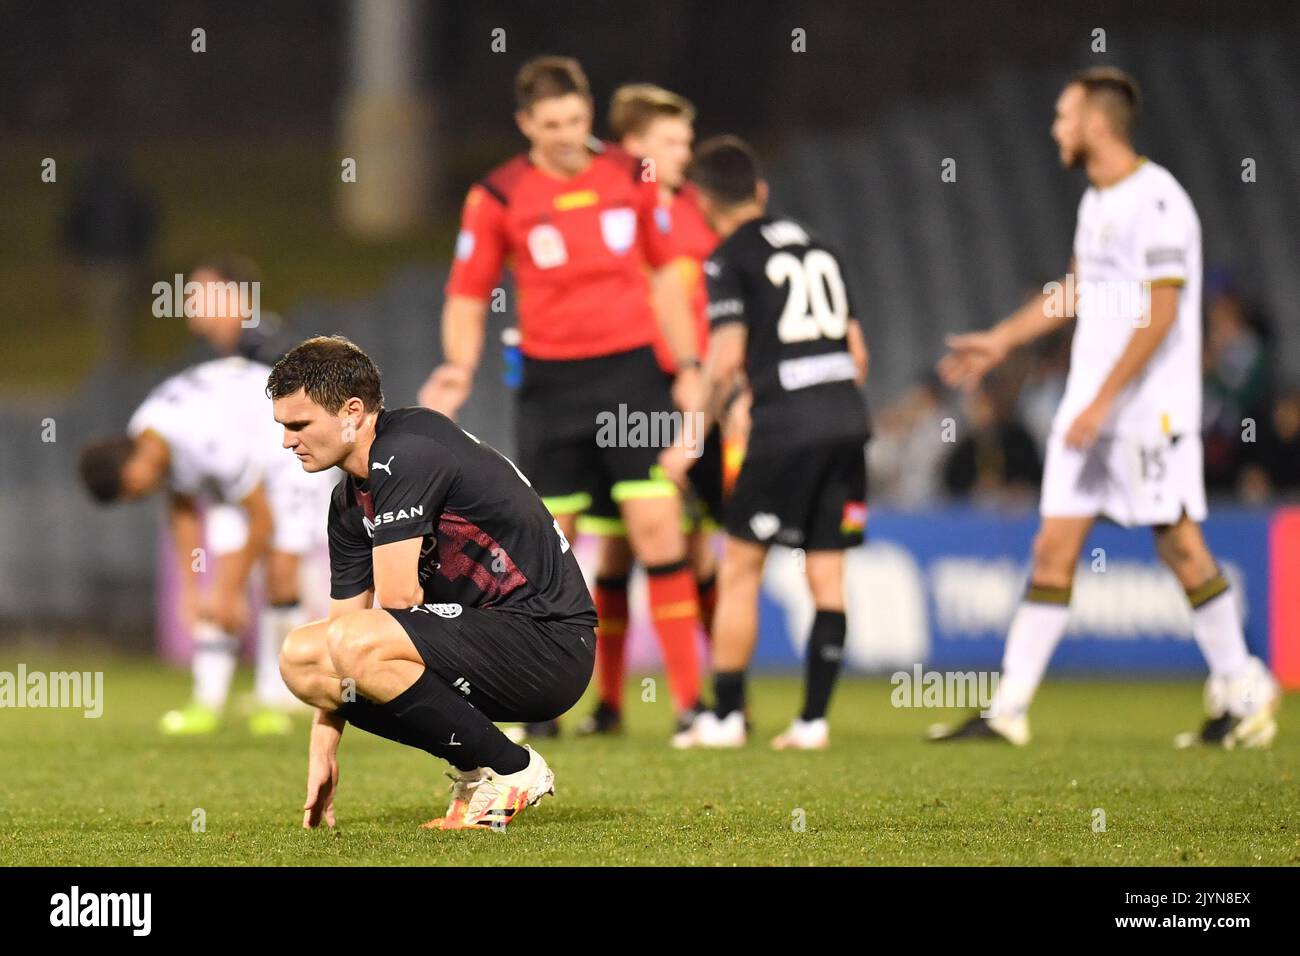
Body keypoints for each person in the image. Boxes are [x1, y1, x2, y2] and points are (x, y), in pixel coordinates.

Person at [930, 67, 1279, 749]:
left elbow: (1162, 313)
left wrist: (1103, 399)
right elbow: (1076, 292)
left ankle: (1244, 688)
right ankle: (1008, 711)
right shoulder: (1097, 202)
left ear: (1095, 123)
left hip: (1145, 413)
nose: (1055, 129)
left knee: (1179, 543)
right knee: (1053, 546)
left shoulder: (1158, 202)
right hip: (1091, 414)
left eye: (1063, 116)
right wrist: (1002, 339)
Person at [418, 56, 707, 740]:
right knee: (551, 546)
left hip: (632, 377)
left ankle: (696, 709)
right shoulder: (497, 195)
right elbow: (465, 292)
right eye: (552, 124)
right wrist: (460, 364)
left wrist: (689, 363)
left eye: (577, 119)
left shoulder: (632, 174)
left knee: (658, 530)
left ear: (589, 112)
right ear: (525, 124)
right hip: (551, 387)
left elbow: (667, 276)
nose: (568, 135)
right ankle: (539, 707)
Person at [270, 336, 597, 830]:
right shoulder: (347, 504)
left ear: (352, 412)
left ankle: (515, 770)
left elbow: (398, 601)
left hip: (550, 645)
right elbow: (336, 651)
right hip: (483, 645)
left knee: (356, 643)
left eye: (299, 424)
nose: (287, 441)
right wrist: (323, 751)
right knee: (301, 659)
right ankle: (473, 773)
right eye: (283, 426)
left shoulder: (408, 452)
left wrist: (356, 653)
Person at [664, 136, 870, 750]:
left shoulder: (728, 257)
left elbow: (724, 360)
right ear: (760, 190)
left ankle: (725, 717)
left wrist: (690, 438)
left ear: (702, 202)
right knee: (828, 577)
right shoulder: (821, 248)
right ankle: (812, 723)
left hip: (786, 431)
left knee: (741, 572)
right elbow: (858, 355)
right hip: (848, 421)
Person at [574, 82, 727, 737]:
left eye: (687, 142)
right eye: (671, 141)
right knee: (615, 554)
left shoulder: (699, 214)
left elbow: (726, 310)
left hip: (693, 398)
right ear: (632, 147)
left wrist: (723, 390)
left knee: (695, 552)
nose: (684, 154)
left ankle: (716, 695)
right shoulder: (610, 212)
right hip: (624, 397)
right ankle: (611, 705)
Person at [78, 356, 334, 735]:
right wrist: (190, 588)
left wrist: (229, 591)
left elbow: (261, 520)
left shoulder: (203, 439)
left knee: (280, 575)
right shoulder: (147, 433)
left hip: (285, 456)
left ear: (135, 461)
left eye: (134, 489)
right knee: (215, 587)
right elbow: (182, 507)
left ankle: (275, 696)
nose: (140, 495)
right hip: (235, 474)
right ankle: (207, 701)